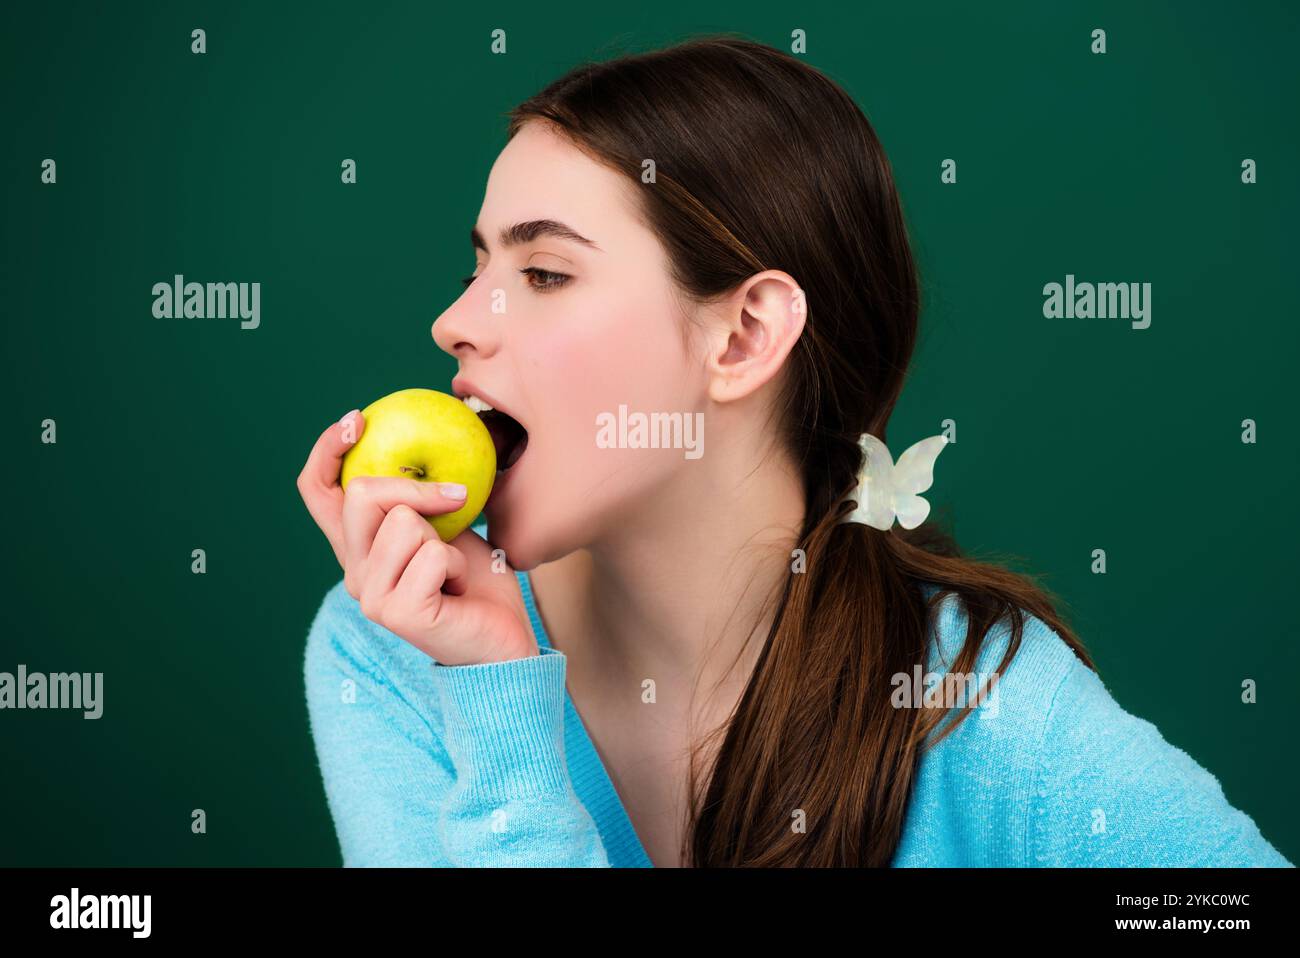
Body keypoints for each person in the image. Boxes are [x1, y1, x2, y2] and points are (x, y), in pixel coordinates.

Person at [297, 36, 1292, 868]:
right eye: (478, 265)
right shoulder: (391, 648)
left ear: (741, 338)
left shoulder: (976, 705)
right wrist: (490, 695)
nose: (453, 322)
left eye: (544, 271)